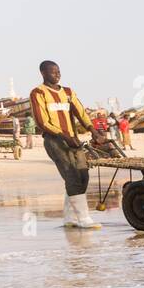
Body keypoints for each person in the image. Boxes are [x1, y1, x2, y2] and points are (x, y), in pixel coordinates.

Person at [29, 60, 101, 228]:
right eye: (53, 72)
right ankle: (84, 219)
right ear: (43, 73)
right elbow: (42, 122)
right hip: (55, 141)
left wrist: (93, 130)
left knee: (83, 175)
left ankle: (69, 217)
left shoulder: (68, 92)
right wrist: (64, 136)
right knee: (72, 177)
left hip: (74, 140)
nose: (57, 74)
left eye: (59, 71)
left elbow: (81, 112)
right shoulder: (38, 93)